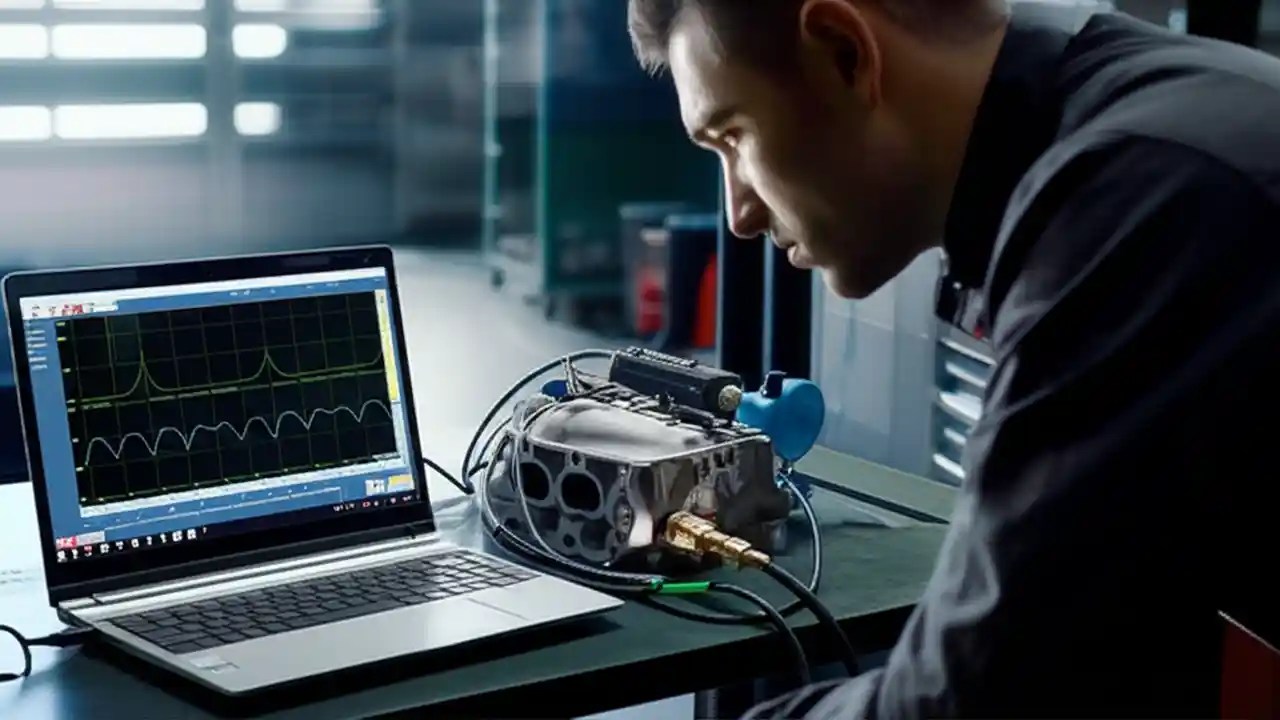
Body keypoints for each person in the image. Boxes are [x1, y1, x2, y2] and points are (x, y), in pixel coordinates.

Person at [626, 0, 1280, 717]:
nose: (739, 214)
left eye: (735, 136)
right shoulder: (1147, 118)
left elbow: (976, 698)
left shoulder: (1141, 204)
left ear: (846, 52)